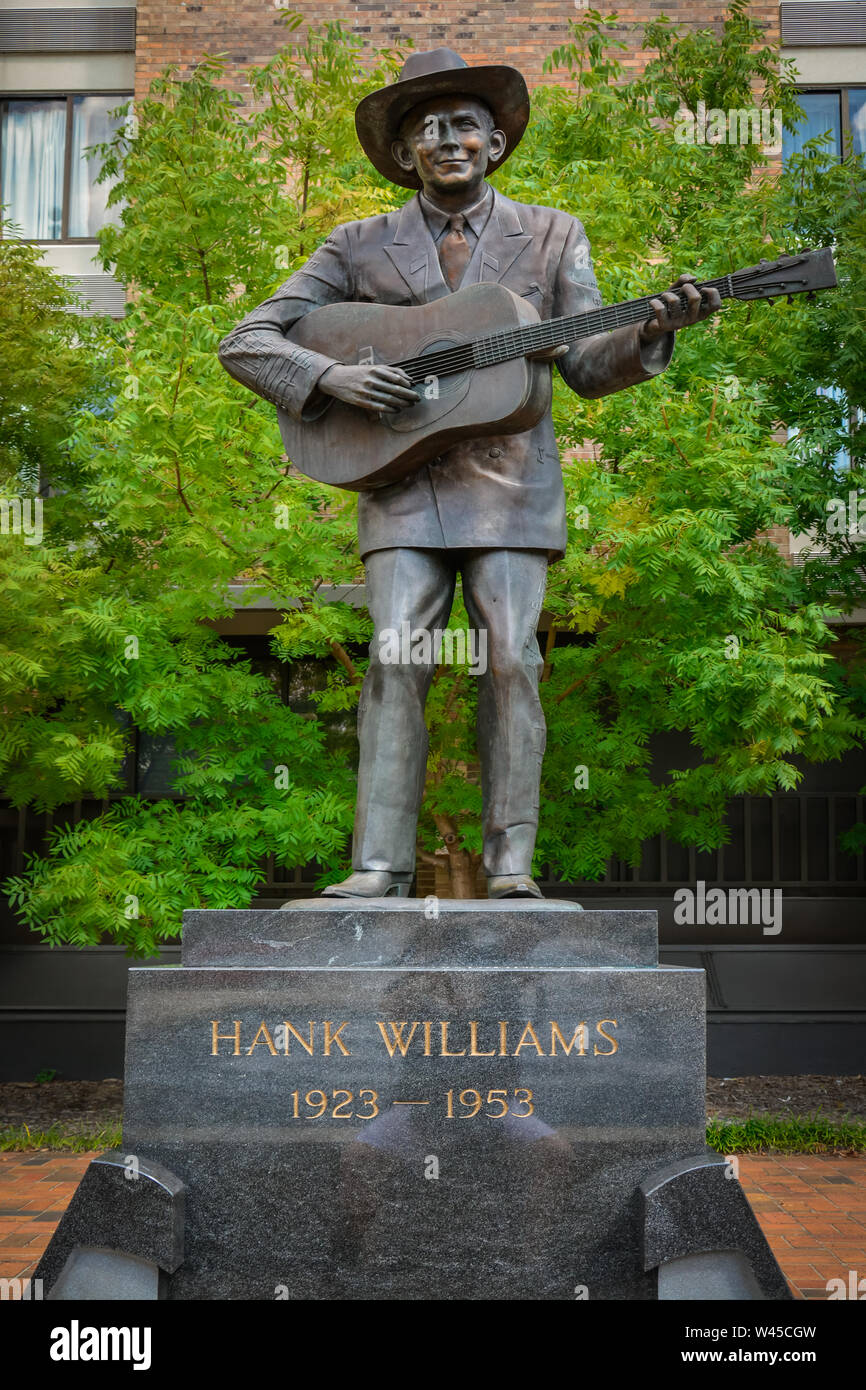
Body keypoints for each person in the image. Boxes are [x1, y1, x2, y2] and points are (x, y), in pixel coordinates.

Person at [218, 48, 720, 900]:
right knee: (393, 657)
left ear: (494, 142)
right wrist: (331, 379)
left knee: (513, 658)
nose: (445, 139)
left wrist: (649, 334)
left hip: (511, 485)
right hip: (397, 483)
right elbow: (246, 341)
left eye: (462, 126)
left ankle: (511, 867)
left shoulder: (555, 234)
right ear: (406, 152)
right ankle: (378, 865)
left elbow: (586, 368)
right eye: (425, 130)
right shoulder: (355, 244)